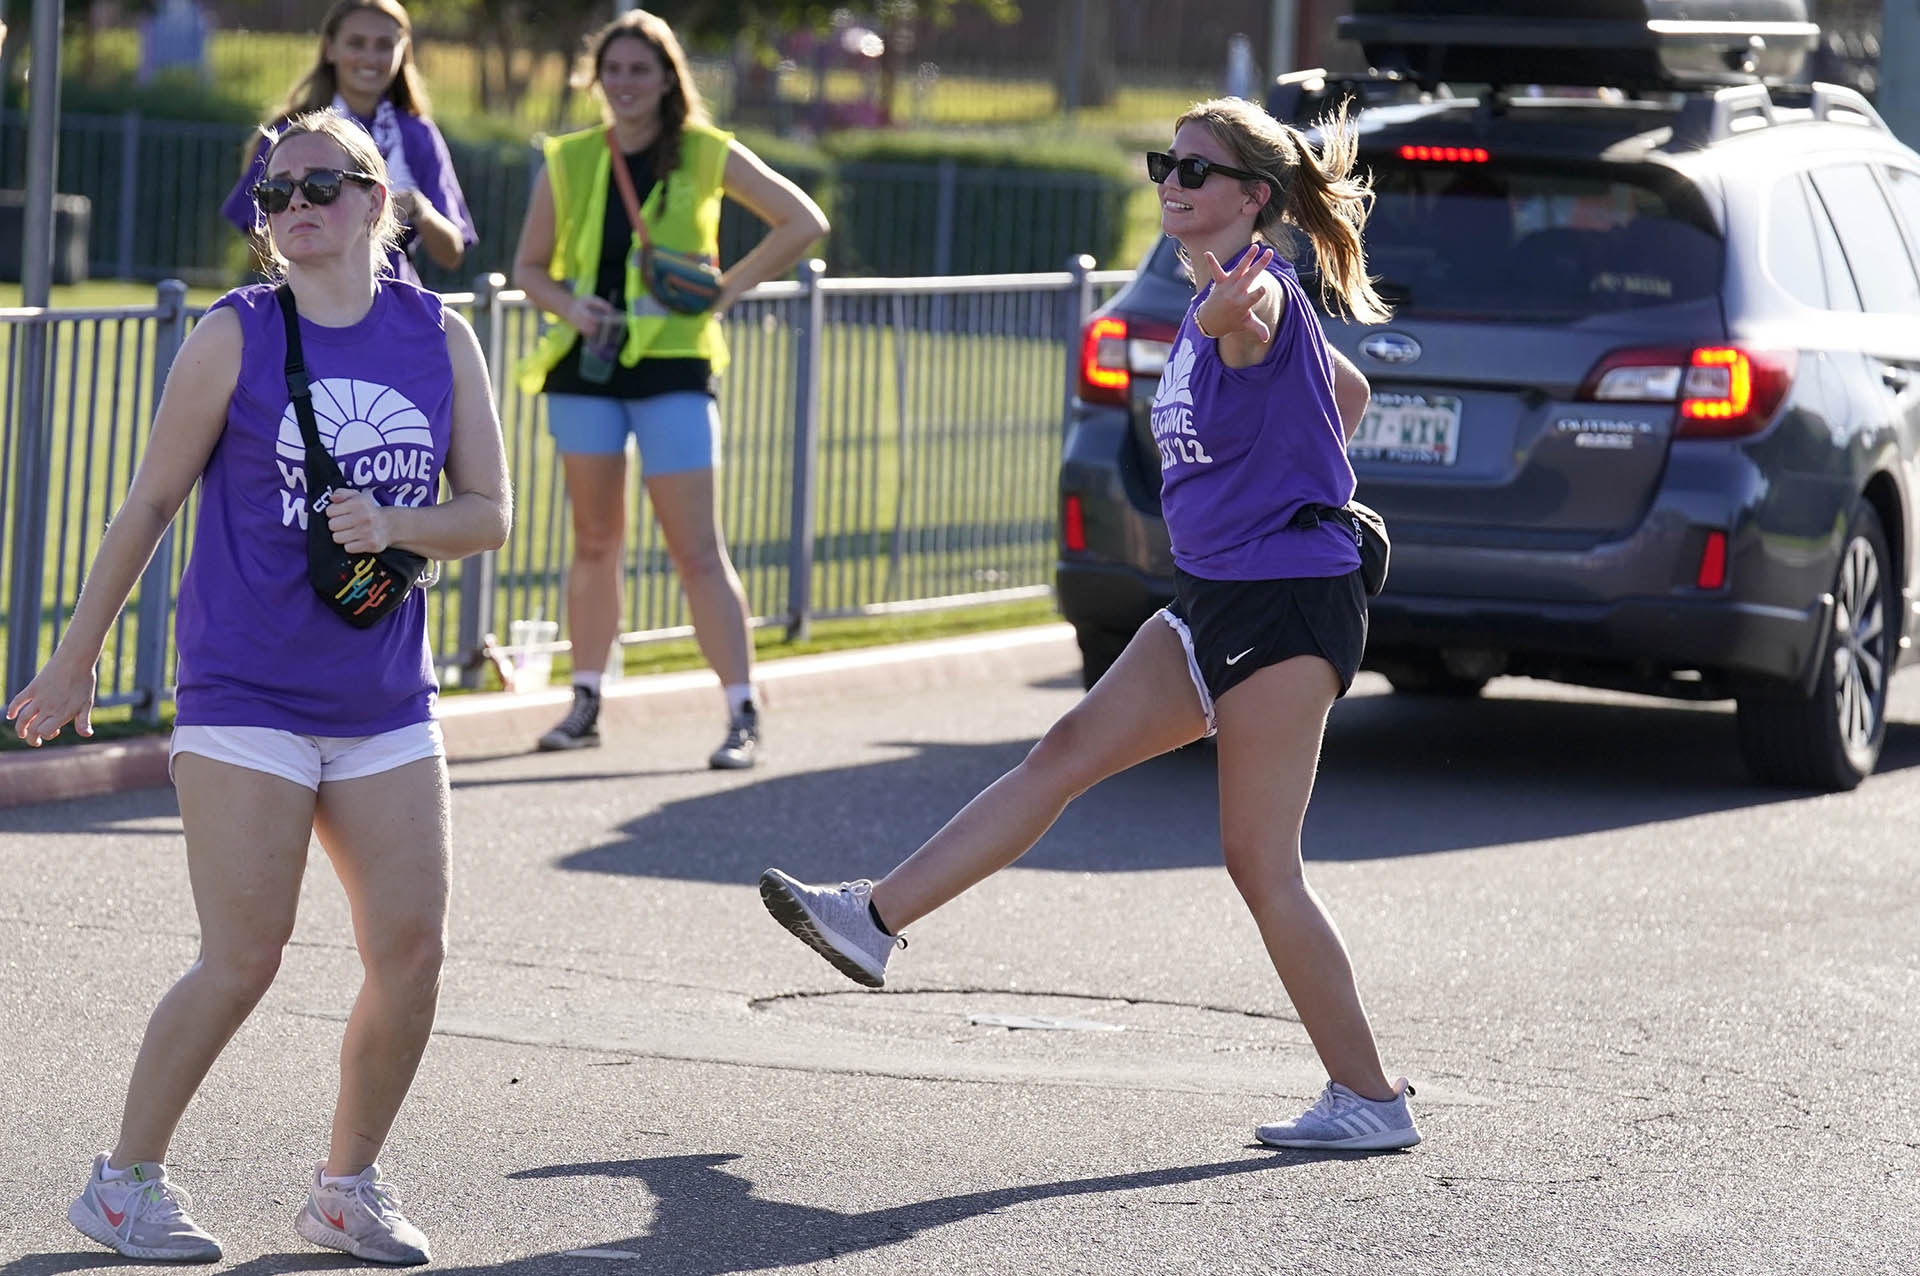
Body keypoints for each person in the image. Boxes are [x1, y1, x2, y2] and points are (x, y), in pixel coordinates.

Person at [759, 97, 1423, 1153]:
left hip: (1287, 601)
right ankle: (871, 920)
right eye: (1167, 163)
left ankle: (1370, 1098)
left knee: (1261, 862)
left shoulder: (1244, 290)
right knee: (1064, 751)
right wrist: (1282, 449)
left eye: (1197, 170)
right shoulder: (1232, 285)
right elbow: (1340, 391)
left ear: (1253, 196)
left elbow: (1254, 327)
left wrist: (1228, 337)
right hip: (1218, 594)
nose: (1173, 181)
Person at [8, 110, 511, 1262]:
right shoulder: (234, 335)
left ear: (376, 201)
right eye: (275, 192)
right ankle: (124, 1181)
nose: (294, 207)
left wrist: (396, 521)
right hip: (245, 690)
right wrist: (75, 654)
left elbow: (490, 512)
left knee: (414, 950)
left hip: (384, 693)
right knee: (246, 953)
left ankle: (347, 1187)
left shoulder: (440, 337)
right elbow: (146, 505)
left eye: (321, 186)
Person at [510, 9, 829, 767]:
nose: (624, 84)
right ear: (596, 77)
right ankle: (585, 699)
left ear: (666, 80)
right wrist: (570, 306)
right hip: (587, 369)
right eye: (612, 70)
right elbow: (529, 269)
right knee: (594, 541)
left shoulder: (707, 152)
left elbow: (802, 221)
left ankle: (741, 712)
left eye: (639, 71)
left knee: (696, 549)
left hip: (676, 369)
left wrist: (724, 292)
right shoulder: (571, 157)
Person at [222, 0, 475, 287]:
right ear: (330, 48)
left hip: (392, 310)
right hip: (307, 307)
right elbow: (257, 253)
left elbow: (452, 254)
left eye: (383, 45)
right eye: (356, 43)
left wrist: (419, 208)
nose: (370, 57)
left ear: (402, 50)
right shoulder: (291, 132)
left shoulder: (418, 135)